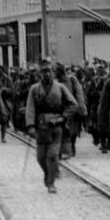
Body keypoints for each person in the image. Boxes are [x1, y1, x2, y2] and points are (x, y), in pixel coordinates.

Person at [25, 60, 80, 193]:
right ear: (40, 74)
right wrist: (31, 125)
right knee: (41, 158)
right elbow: (30, 108)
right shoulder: (34, 89)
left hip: (56, 128)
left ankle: (51, 183)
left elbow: (73, 104)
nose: (47, 74)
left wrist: (63, 117)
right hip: (41, 128)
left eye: (49, 71)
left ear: (53, 73)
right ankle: (48, 173)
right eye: (44, 71)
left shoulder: (60, 88)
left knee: (53, 155)